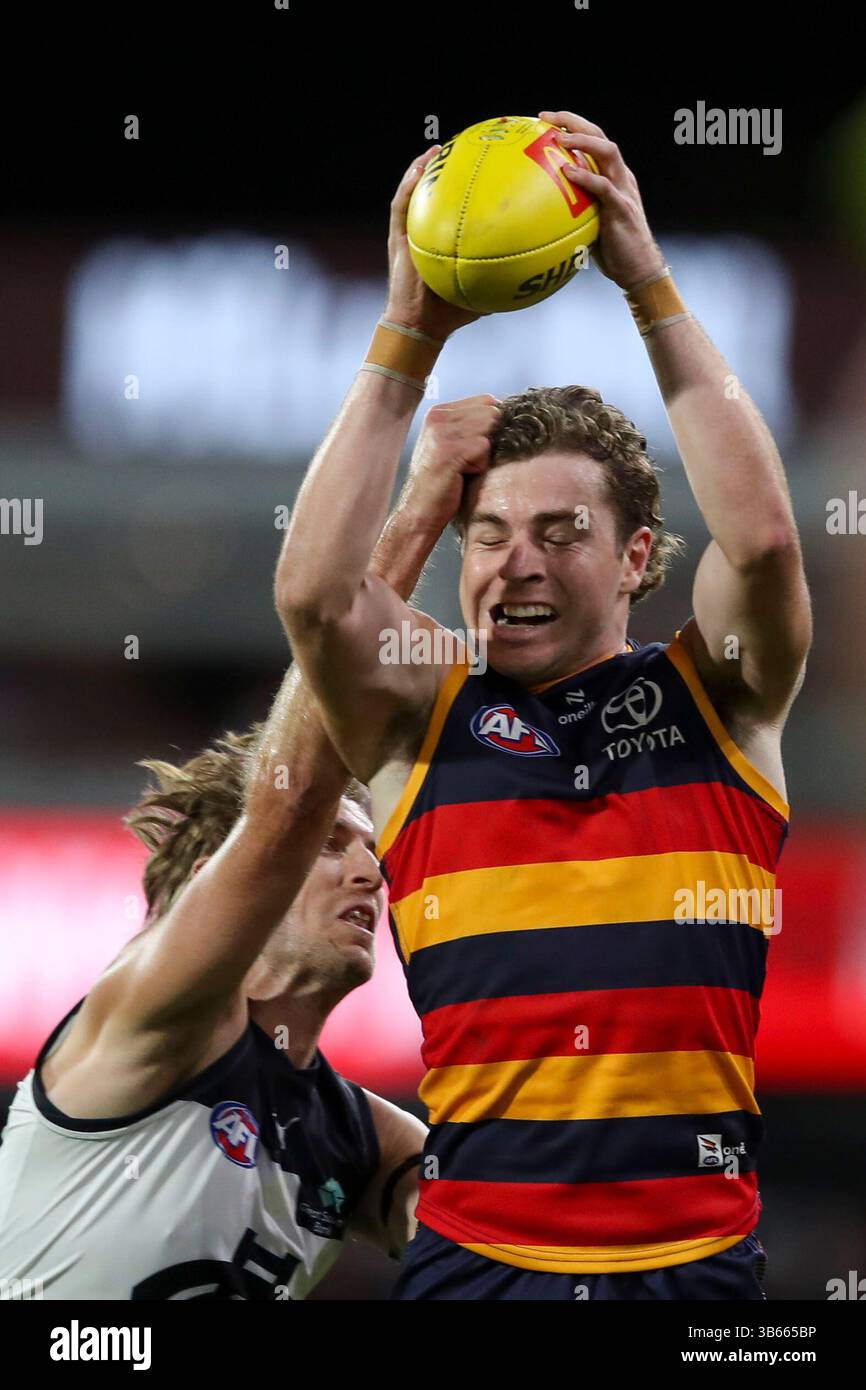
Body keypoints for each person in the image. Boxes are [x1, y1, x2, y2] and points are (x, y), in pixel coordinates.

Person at [275, 110, 813, 1299]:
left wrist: (648, 283)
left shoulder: (718, 698)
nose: (514, 563)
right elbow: (314, 592)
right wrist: (407, 337)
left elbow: (767, 541)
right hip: (481, 1270)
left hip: (701, 1277)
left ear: (635, 559)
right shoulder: (419, 711)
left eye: (560, 532)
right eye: (489, 534)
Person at [0, 521, 430, 1301]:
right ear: (210, 880)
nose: (372, 873)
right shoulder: (149, 1011)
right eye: (333, 844)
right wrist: (423, 505)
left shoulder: (349, 1132)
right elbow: (285, 804)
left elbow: (503, 1224)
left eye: (372, 852)